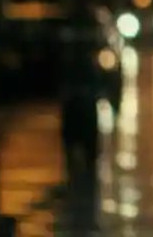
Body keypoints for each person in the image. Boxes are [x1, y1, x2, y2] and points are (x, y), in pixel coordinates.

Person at [58, 26, 102, 188]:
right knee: (75, 140)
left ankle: (83, 176)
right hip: (77, 102)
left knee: (83, 143)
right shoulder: (71, 58)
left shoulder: (85, 60)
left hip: (82, 103)